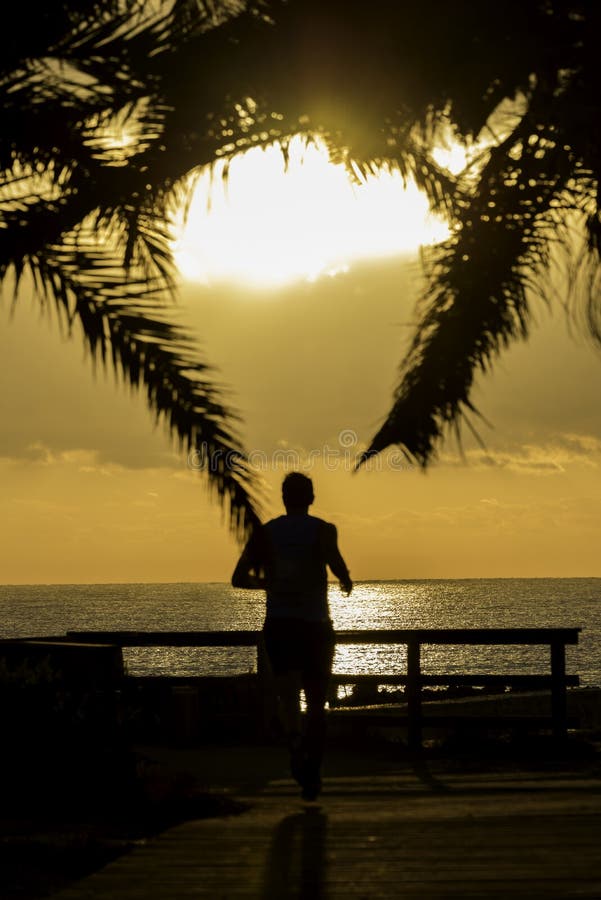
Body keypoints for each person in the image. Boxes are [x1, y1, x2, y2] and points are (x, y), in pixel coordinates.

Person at [232, 472, 352, 800]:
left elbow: (238, 577)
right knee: (316, 700)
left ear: (284, 498)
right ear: (311, 498)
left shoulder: (266, 534)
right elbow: (337, 566)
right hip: (314, 625)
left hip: (280, 625)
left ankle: (295, 743)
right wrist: (346, 581)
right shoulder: (325, 531)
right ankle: (313, 762)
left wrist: (267, 584)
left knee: (288, 698)